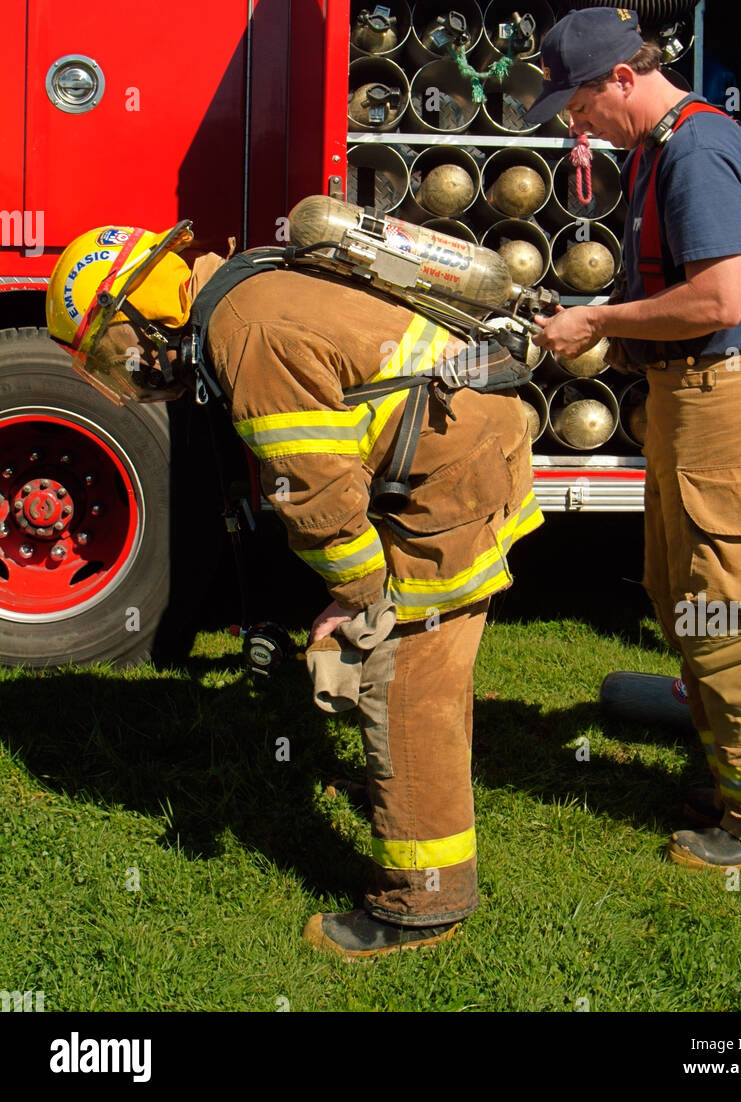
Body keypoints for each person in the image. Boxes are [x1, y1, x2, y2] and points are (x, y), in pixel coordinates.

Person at [46, 222, 542, 954]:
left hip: (449, 484)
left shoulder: (244, 337)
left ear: (144, 311)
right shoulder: (245, 285)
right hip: (465, 447)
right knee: (428, 679)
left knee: (402, 685)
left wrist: (361, 595)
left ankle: (423, 903)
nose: (137, 369)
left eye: (121, 348)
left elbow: (315, 494)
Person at [525, 8, 741, 872]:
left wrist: (596, 316)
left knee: (735, 616)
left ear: (622, 78)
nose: (574, 122)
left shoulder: (694, 152)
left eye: (579, 103)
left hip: (727, 409)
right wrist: (614, 334)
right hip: (694, 407)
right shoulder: (667, 144)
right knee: (688, 601)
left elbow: (713, 303)